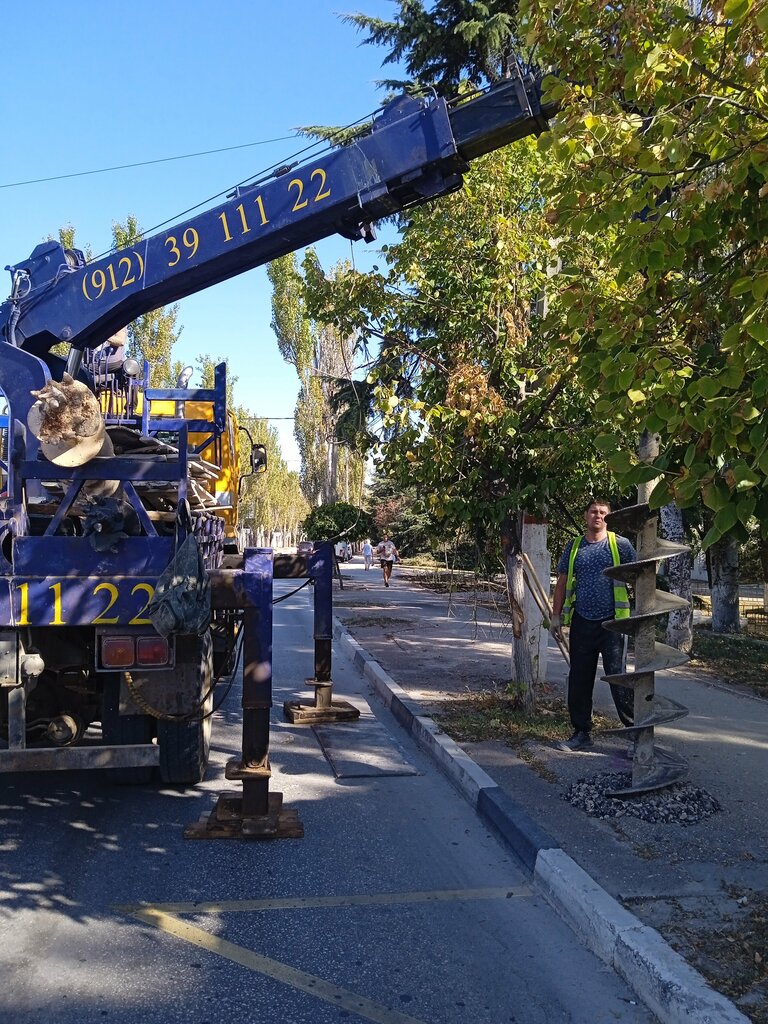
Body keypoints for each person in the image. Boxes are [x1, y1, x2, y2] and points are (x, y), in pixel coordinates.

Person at [550, 498, 636, 751]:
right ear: (585, 515)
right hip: (582, 621)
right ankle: (581, 732)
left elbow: (639, 577)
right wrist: (555, 616)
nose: (598, 516)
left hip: (614, 624)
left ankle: (635, 733)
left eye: (603, 512)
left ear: (609, 517)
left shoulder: (621, 544)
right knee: (579, 679)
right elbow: (562, 582)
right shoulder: (574, 546)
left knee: (618, 678)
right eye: (593, 512)